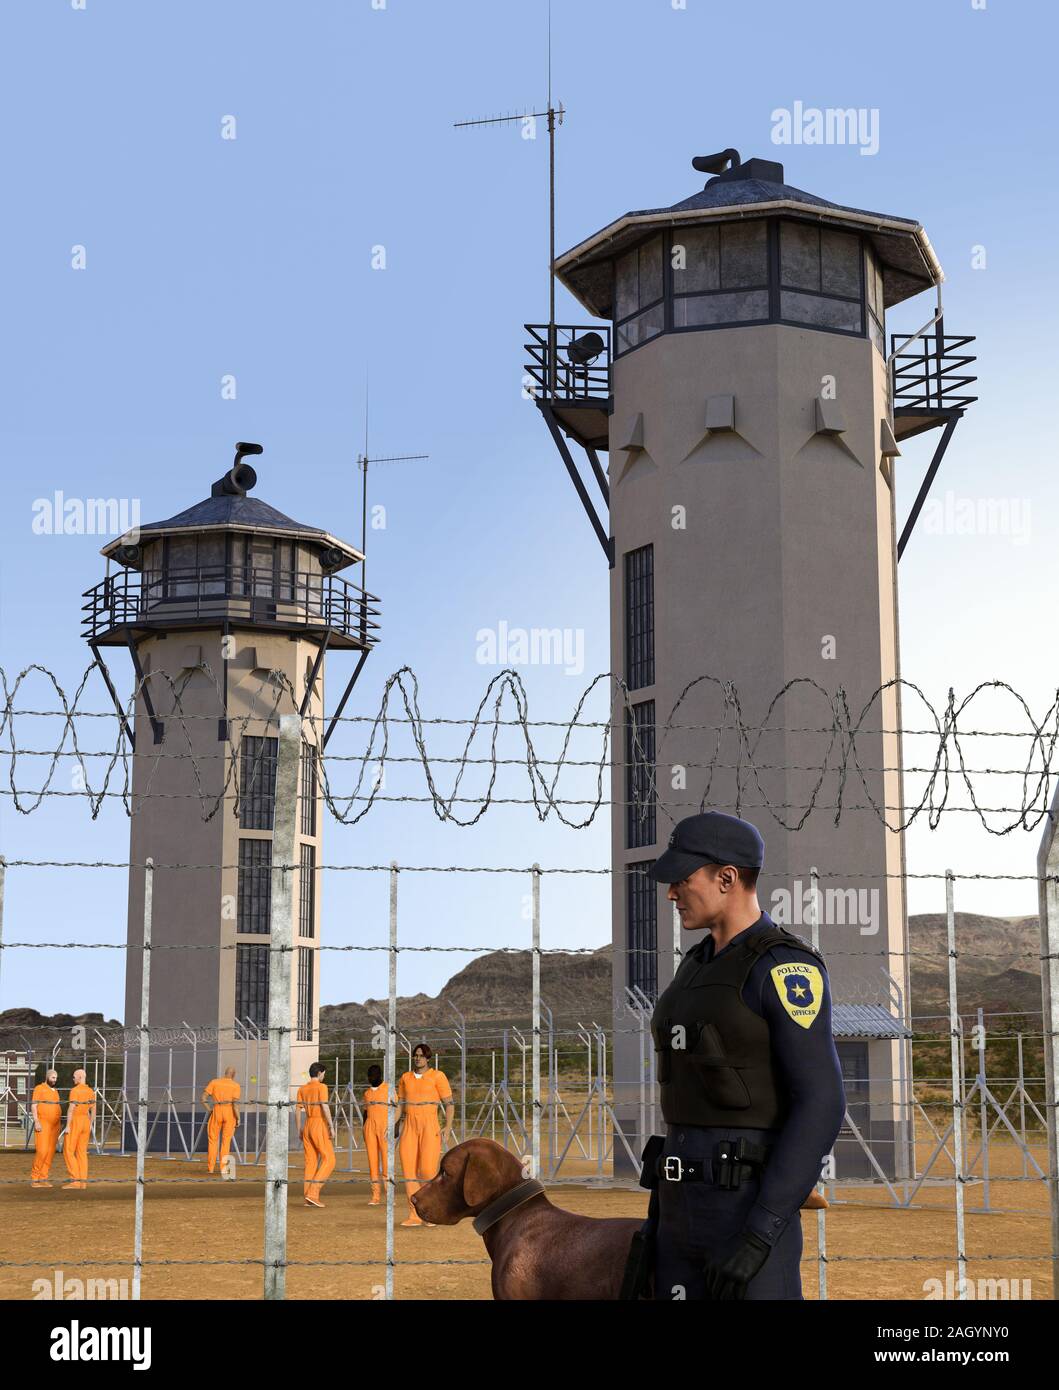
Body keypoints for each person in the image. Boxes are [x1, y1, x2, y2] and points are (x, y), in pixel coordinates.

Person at [643, 811, 846, 1301]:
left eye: (682, 879)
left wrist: (760, 1233)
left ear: (727, 878)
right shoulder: (692, 967)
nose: (671, 893)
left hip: (745, 1213)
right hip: (677, 1211)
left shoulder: (783, 967)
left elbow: (821, 1103)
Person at [396, 1044, 453, 1227]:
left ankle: (430, 1212)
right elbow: (400, 1105)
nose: (418, 1058)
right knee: (409, 1171)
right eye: (415, 1055)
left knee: (427, 1171)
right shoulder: (405, 1078)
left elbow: (449, 1104)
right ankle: (414, 1215)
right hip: (409, 1127)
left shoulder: (438, 1076)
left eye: (421, 1056)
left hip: (430, 1126)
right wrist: (392, 1124)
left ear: (428, 1058)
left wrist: (448, 1126)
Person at [296, 1062, 336, 1209]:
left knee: (310, 1162)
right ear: (319, 1073)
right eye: (324, 1074)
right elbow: (324, 1106)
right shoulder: (322, 1087)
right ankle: (313, 1193)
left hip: (307, 1124)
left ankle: (308, 1197)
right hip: (319, 1124)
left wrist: (299, 1129)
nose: (324, 1076)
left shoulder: (302, 1089)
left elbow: (297, 1110)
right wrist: (331, 1126)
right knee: (329, 1159)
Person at [363, 1063, 394, 1206]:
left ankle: (390, 1196)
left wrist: (395, 1128)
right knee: (372, 1163)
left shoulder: (389, 1089)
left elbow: (396, 1109)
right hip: (370, 1128)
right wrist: (364, 1128)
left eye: (375, 1075)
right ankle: (375, 1196)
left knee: (387, 1164)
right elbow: (365, 1111)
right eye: (370, 1076)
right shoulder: (367, 1093)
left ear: (380, 1075)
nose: (372, 1078)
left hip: (385, 1128)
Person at [60, 1068, 96, 1191]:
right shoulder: (90, 1091)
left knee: (68, 1151)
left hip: (76, 1120)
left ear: (80, 1077)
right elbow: (93, 1110)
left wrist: (68, 1126)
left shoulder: (75, 1090)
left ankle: (75, 1180)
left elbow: (71, 1109)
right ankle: (83, 1182)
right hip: (86, 1121)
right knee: (81, 1153)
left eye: (75, 1076)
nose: (73, 1078)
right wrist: (90, 1124)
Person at [201, 1067, 241, 1175]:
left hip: (217, 1110)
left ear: (225, 1073)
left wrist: (210, 1109)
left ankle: (210, 1169)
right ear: (234, 1075)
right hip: (229, 1113)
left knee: (213, 1140)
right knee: (226, 1142)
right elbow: (235, 1105)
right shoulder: (235, 1086)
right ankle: (224, 1169)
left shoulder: (214, 1082)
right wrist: (238, 1118)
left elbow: (203, 1098)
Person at [30, 1068, 62, 1188]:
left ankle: (43, 1178)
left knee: (50, 1152)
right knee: (42, 1151)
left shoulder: (55, 1091)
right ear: (47, 1077)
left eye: (56, 1078)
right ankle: (35, 1178)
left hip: (55, 1125)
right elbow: (34, 1105)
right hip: (43, 1123)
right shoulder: (39, 1088)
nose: (55, 1080)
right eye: (53, 1077)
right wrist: (36, 1121)